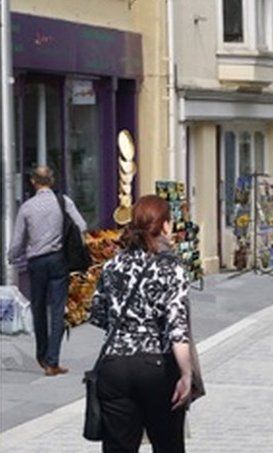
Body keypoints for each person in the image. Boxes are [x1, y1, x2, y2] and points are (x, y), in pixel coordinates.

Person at [89, 195, 194, 452]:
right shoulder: (171, 268)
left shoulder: (113, 264)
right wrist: (186, 374)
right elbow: (176, 327)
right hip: (156, 366)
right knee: (168, 445)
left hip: (114, 366)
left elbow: (99, 314)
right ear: (166, 226)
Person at [7, 165, 87, 376]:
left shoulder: (27, 207)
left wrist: (12, 257)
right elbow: (82, 225)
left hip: (36, 262)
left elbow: (17, 241)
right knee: (58, 309)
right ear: (51, 181)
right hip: (58, 259)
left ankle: (42, 355)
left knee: (39, 309)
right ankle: (53, 359)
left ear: (33, 181)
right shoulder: (63, 201)